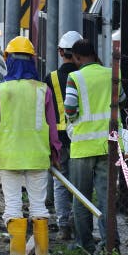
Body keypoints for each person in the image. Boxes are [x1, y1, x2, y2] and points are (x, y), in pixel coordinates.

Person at [0, 36, 61, 255]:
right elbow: (52, 126)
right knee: (39, 206)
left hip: (10, 157)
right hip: (38, 157)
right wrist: (56, 154)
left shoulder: (1, 91)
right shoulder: (42, 91)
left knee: (13, 205)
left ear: (8, 60)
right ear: (32, 61)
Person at [65, 38, 126, 255]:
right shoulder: (112, 74)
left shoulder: (75, 78)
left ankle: (85, 243)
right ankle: (111, 245)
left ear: (78, 58)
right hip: (109, 145)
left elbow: (70, 110)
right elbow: (122, 99)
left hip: (82, 147)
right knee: (107, 197)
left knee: (81, 197)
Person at [44, 30, 84, 240]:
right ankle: (80, 225)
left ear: (60, 52)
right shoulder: (83, 77)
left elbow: (43, 111)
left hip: (57, 139)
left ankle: (63, 226)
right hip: (80, 136)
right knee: (81, 182)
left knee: (61, 182)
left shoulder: (50, 79)